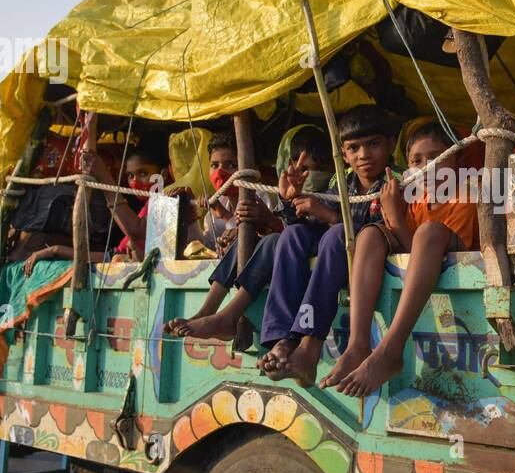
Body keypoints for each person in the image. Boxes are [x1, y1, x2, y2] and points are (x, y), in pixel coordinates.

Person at [324, 121, 481, 396]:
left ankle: (391, 348)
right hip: (421, 276)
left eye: (436, 158)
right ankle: (358, 344)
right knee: (370, 235)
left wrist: (396, 217)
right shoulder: (417, 201)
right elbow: (407, 256)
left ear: (456, 158)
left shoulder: (466, 194)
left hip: (461, 286)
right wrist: (395, 218)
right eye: (416, 160)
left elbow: (421, 253)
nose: (427, 167)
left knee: (429, 231)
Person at [258, 106, 397, 386]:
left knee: (335, 235)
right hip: (336, 257)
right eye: (354, 148)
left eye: (373, 144)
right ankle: (283, 339)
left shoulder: (397, 181)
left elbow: (383, 231)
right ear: (343, 154)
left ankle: (310, 348)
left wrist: (330, 216)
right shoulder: (341, 182)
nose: (363, 155)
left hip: (368, 262)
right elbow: (310, 223)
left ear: (391, 144)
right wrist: (290, 201)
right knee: (292, 235)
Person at [166, 127, 333, 340]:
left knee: (272, 240)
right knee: (249, 238)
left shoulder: (266, 195)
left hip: (306, 253)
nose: (221, 171)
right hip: (281, 247)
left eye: (230, 165)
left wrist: (267, 220)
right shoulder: (221, 201)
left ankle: (228, 317)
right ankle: (207, 310)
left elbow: (293, 233)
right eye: (215, 165)